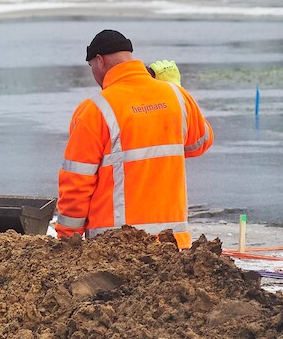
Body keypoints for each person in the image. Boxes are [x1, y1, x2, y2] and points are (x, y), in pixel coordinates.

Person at [55, 30, 213, 250]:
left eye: (92, 67)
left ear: (99, 61)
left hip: (116, 247)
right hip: (173, 246)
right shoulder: (176, 96)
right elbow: (200, 143)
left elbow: (77, 182)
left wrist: (66, 239)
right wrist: (177, 89)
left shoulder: (95, 110)